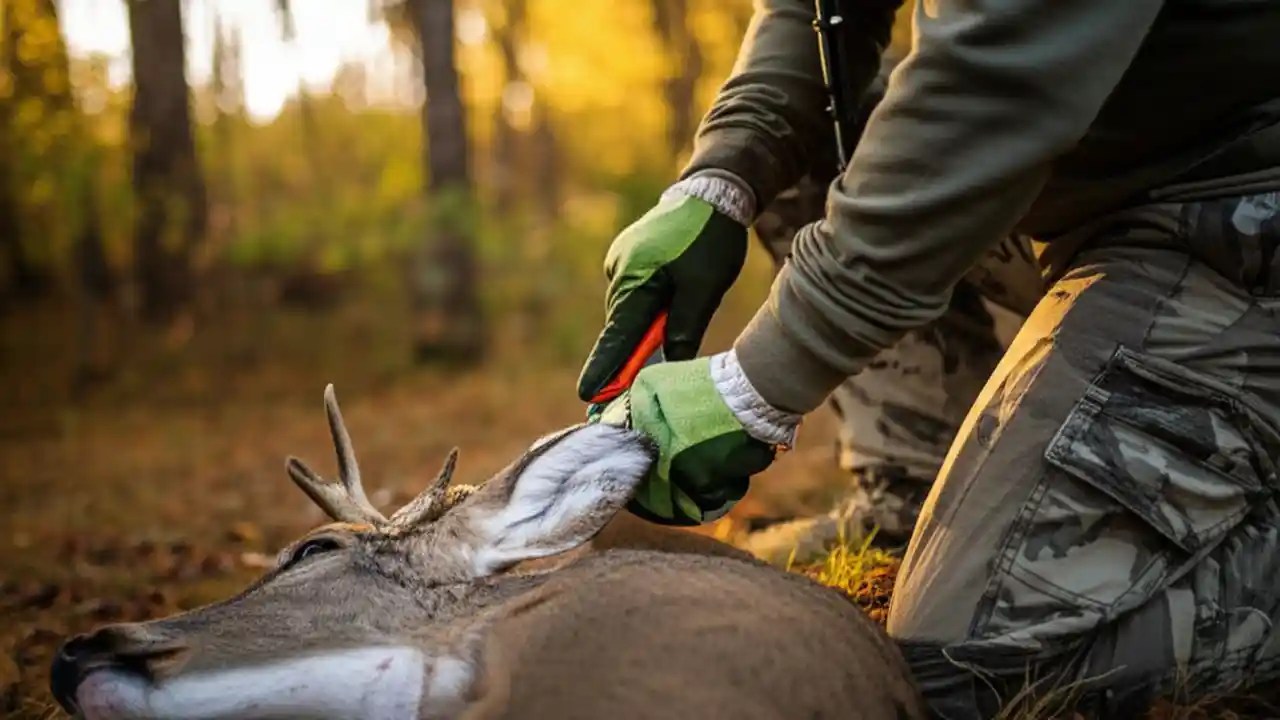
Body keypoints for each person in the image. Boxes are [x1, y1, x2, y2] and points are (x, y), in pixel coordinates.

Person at [578, 0, 1280, 716]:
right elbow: (819, 12)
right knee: (816, 118)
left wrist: (753, 384)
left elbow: (988, 88)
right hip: (1086, 191)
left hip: (1233, 208)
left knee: (966, 672)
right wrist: (722, 177)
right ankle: (908, 488)